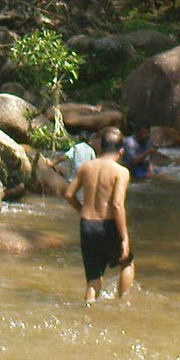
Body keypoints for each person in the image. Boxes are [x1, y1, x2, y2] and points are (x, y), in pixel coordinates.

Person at [65, 127, 134, 302]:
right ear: (121, 151)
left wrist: (82, 210)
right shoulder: (121, 172)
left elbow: (68, 194)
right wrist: (125, 238)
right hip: (108, 224)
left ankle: (89, 310)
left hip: (87, 225)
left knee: (93, 279)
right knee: (127, 263)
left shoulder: (86, 168)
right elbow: (117, 205)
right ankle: (123, 303)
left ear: (100, 148)